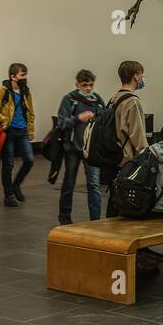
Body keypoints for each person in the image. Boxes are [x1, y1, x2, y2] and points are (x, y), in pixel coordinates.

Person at [55, 69, 105, 225]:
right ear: (77, 85)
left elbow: (104, 120)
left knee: (94, 185)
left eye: (91, 85)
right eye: (85, 85)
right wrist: (78, 118)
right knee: (69, 183)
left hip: (91, 148)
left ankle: (95, 219)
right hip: (72, 148)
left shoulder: (97, 100)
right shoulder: (69, 99)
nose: (88, 88)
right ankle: (64, 217)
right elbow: (61, 123)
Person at [101, 60, 149, 219]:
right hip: (127, 159)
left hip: (113, 155)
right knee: (127, 201)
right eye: (142, 74)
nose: (143, 78)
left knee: (115, 198)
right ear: (136, 76)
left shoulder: (114, 98)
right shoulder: (132, 101)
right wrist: (148, 157)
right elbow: (137, 135)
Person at [0, 63, 35, 208]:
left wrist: (31, 130)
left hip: (23, 131)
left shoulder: (26, 91)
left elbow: (30, 112)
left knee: (30, 160)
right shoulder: (3, 90)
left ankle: (16, 185)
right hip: (8, 132)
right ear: (13, 77)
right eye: (22, 75)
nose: (25, 78)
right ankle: (8, 195)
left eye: (25, 75)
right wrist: (3, 120)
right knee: (8, 164)